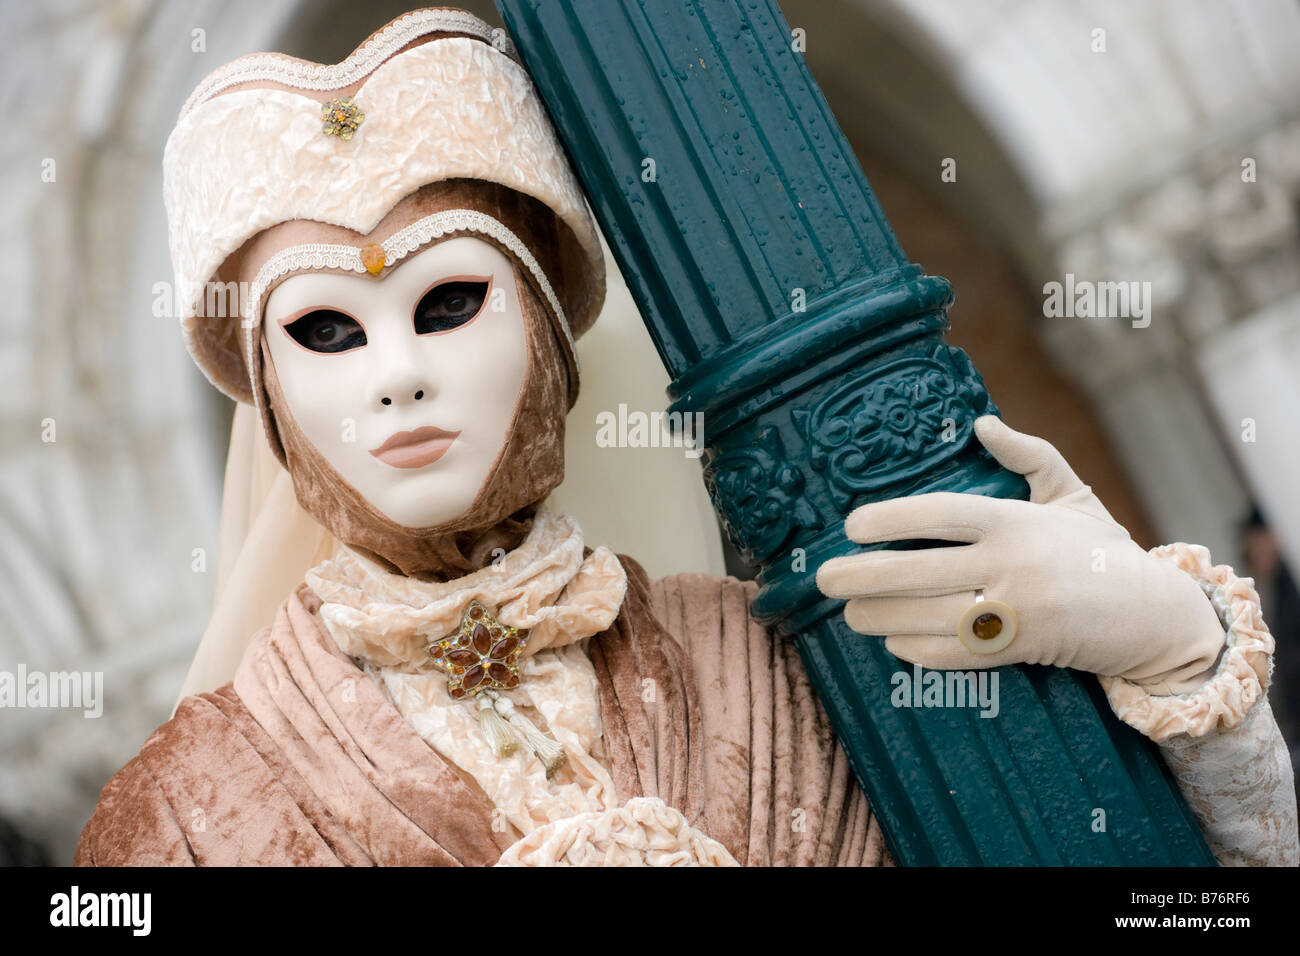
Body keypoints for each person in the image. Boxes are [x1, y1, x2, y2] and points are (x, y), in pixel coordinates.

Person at [75, 8, 1297, 866]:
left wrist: (1169, 644)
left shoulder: (777, 658)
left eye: (450, 304)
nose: (397, 376)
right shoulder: (183, 813)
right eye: (326, 330)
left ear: (550, 340)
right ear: (272, 400)